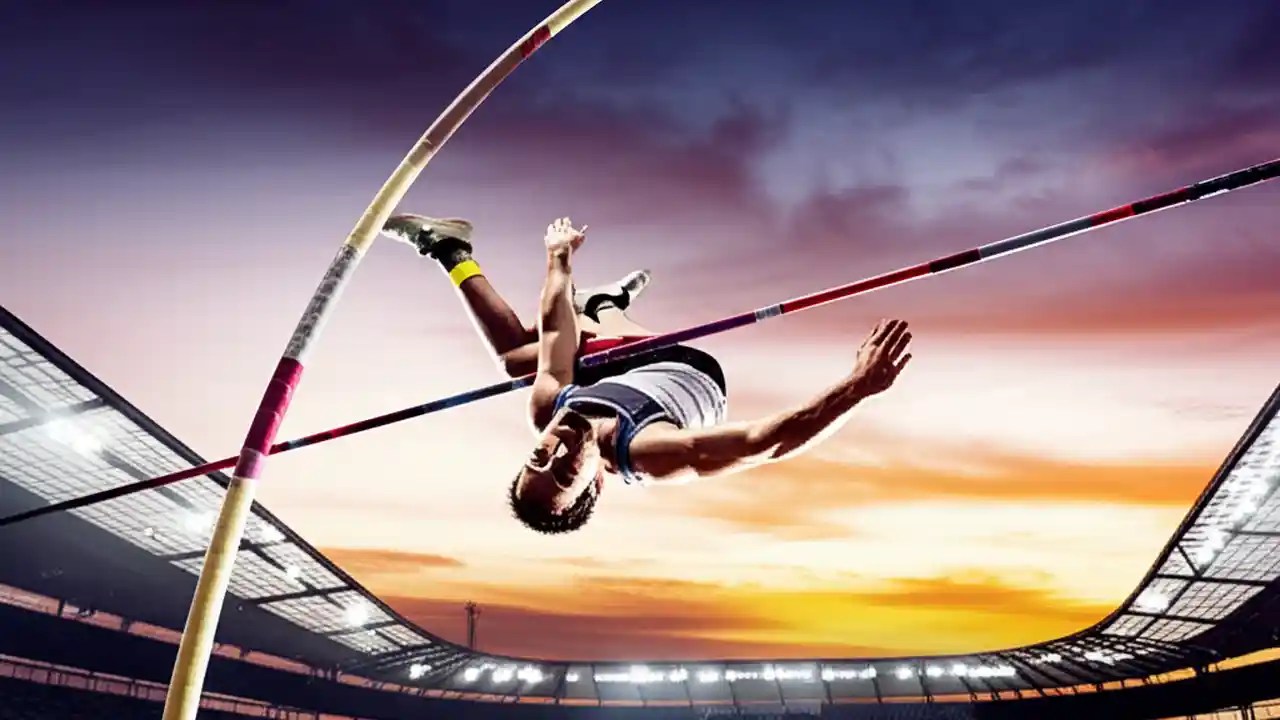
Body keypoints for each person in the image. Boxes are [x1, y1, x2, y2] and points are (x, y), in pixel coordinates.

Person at [381, 214, 913, 535]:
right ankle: (462, 253)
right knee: (528, 352)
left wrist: (559, 261)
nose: (557, 450)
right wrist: (858, 388)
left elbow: (555, 336)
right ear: (597, 482)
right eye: (566, 474)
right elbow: (760, 443)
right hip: (681, 371)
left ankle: (591, 302)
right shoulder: (648, 454)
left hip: (618, 369)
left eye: (537, 458)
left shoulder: (547, 412)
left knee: (525, 359)